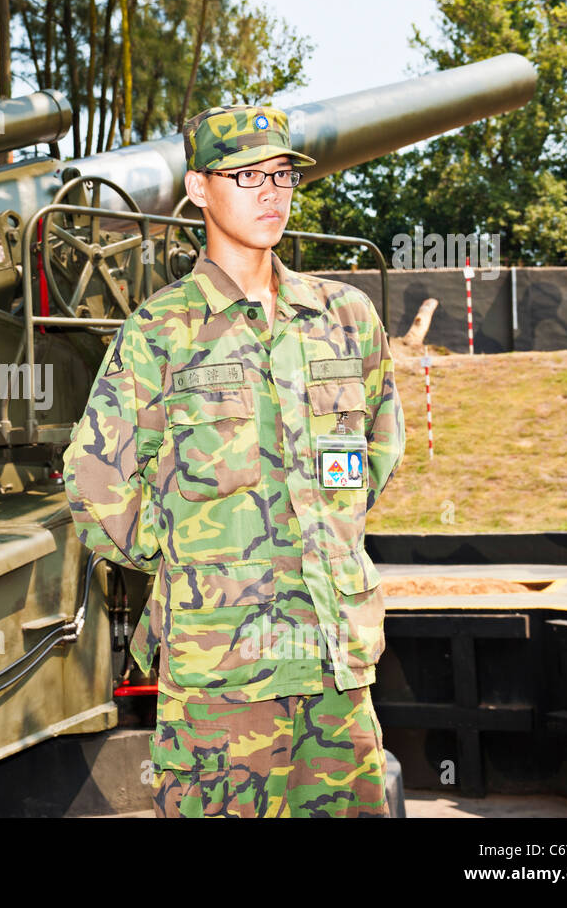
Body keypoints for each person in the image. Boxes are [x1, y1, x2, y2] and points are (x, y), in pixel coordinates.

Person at [61, 104, 405, 817]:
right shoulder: (162, 332)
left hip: (337, 671)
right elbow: (94, 480)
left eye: (281, 174)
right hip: (221, 685)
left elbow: (377, 442)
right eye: (247, 175)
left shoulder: (343, 317)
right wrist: (186, 553)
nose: (272, 192)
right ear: (197, 188)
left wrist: (327, 520)